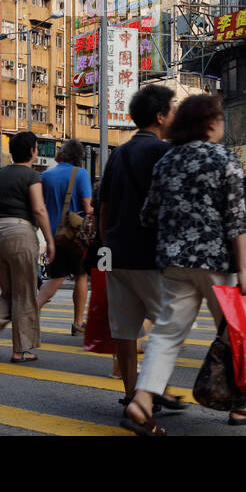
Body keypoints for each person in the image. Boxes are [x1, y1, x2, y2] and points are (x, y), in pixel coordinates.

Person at [122, 94, 246, 436]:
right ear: (210, 124)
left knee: (167, 333)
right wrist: (244, 270)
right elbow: (235, 220)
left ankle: (141, 403)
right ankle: (242, 407)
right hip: (217, 262)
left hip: (174, 263)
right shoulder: (223, 158)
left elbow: (148, 216)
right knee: (233, 332)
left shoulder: (166, 162)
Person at [97, 84, 187, 415]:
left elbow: (104, 207)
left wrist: (108, 244)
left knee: (125, 327)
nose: (176, 115)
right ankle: (153, 390)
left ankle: (131, 391)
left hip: (117, 252)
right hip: (151, 254)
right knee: (170, 325)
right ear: (161, 116)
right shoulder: (163, 153)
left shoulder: (118, 154)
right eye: (173, 109)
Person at [0, 131, 52, 363]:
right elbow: (39, 209)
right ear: (32, 150)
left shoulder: (0, 173)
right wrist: (50, 241)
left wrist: (2, 211)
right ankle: (21, 350)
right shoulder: (32, 176)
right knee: (25, 293)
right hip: (20, 232)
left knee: (9, 292)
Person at [37, 139, 94, 332]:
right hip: (74, 234)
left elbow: (40, 205)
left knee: (55, 276)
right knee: (81, 275)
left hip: (53, 234)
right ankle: (78, 323)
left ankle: (31, 312)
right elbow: (87, 207)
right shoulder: (80, 174)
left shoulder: (46, 175)